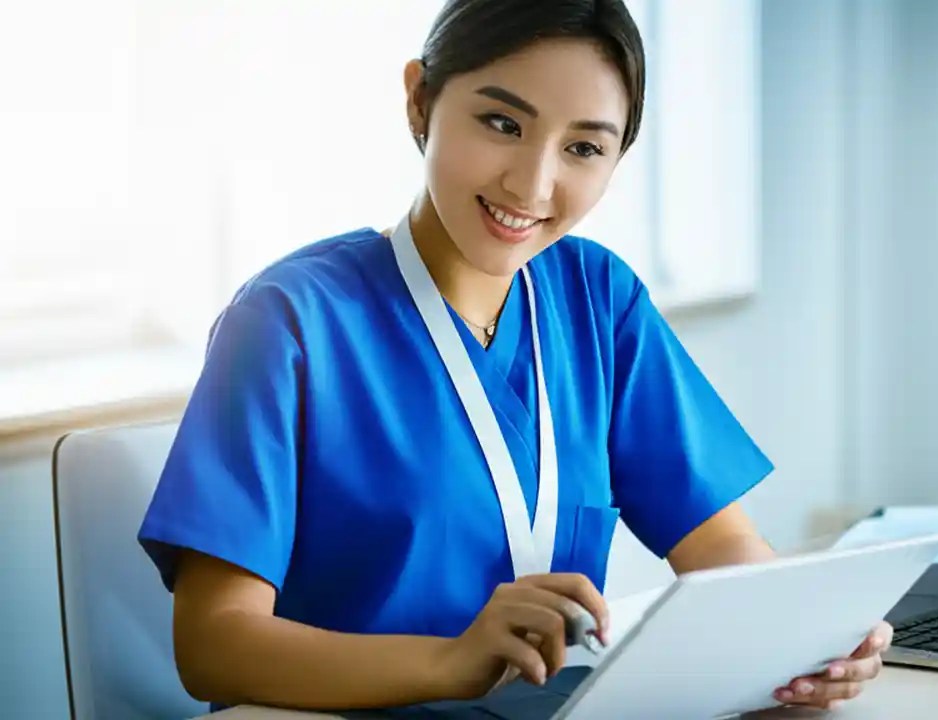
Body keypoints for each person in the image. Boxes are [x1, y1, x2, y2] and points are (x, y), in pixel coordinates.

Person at [137, 0, 892, 713]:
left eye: (583, 148)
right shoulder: (288, 321)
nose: (532, 184)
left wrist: (803, 641)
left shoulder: (598, 299)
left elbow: (719, 540)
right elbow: (213, 645)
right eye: (503, 123)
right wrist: (450, 662)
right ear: (419, 101)